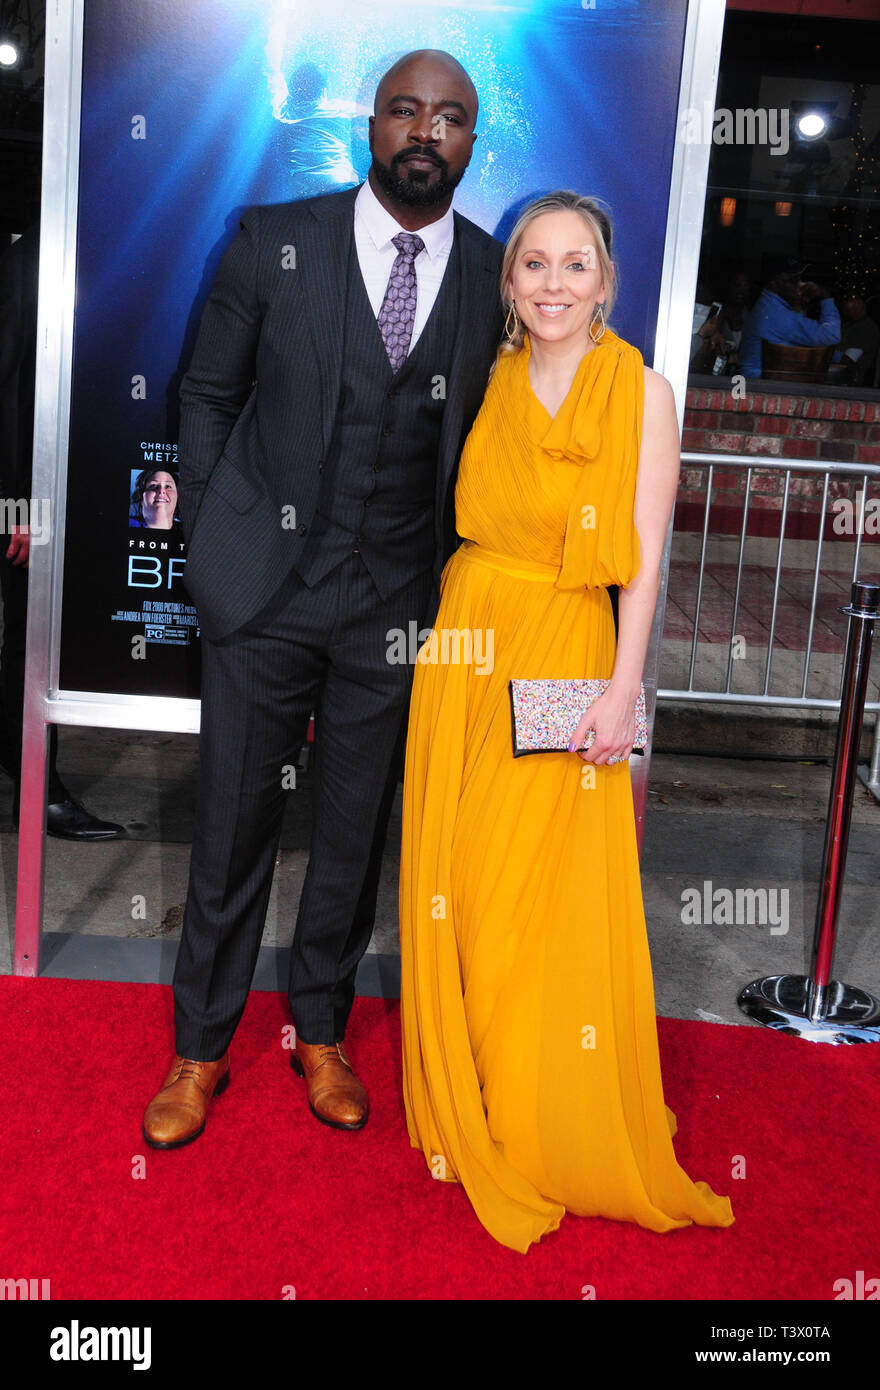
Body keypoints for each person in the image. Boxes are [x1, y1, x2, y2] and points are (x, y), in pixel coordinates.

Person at [142, 50, 506, 1148]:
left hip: (397, 604)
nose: (423, 131)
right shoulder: (272, 241)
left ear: (468, 145)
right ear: (370, 126)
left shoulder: (495, 276)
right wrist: (213, 532)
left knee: (352, 832)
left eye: (448, 118)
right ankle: (199, 1049)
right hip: (264, 593)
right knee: (233, 827)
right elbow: (205, 393)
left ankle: (320, 1031)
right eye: (405, 108)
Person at [399, 191, 735, 1252]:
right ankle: (488, 1095)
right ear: (508, 283)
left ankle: (543, 1112)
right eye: (533, 264)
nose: (552, 284)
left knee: (527, 889)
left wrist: (625, 689)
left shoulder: (639, 392)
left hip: (566, 656)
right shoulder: (492, 378)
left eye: (574, 265)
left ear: (606, 279)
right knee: (463, 885)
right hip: (465, 646)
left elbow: (644, 562)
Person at [0, 227, 125, 841]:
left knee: (36, 643)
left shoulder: (94, 247)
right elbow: (10, 383)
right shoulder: (33, 256)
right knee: (30, 646)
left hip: (67, 492)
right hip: (29, 500)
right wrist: (18, 504)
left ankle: (32, 778)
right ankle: (38, 788)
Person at [739, 264, 840, 379]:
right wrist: (825, 296)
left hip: (758, 382)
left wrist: (798, 303)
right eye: (792, 281)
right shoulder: (776, 314)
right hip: (760, 387)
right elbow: (832, 336)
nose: (799, 285)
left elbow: (800, 342)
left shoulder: (768, 305)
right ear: (774, 283)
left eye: (798, 280)